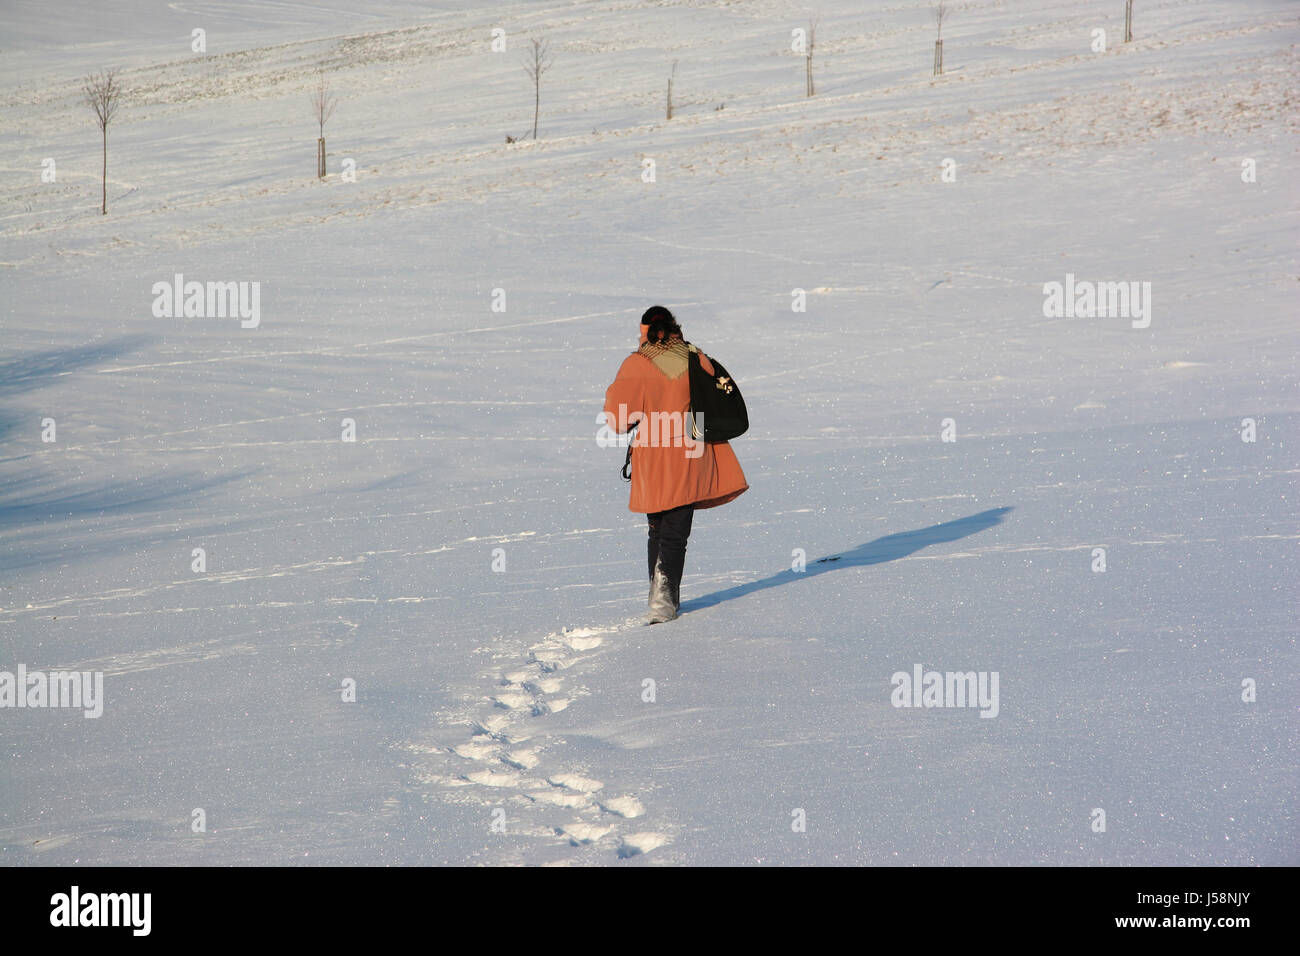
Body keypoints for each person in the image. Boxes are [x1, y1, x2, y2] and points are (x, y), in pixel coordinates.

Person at [603, 306, 749, 623]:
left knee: (657, 529)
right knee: (675, 532)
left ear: (644, 332)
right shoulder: (696, 358)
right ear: (676, 328)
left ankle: (661, 600)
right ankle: (665, 600)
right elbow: (716, 399)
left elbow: (618, 420)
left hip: (653, 451)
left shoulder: (636, 364)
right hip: (691, 448)